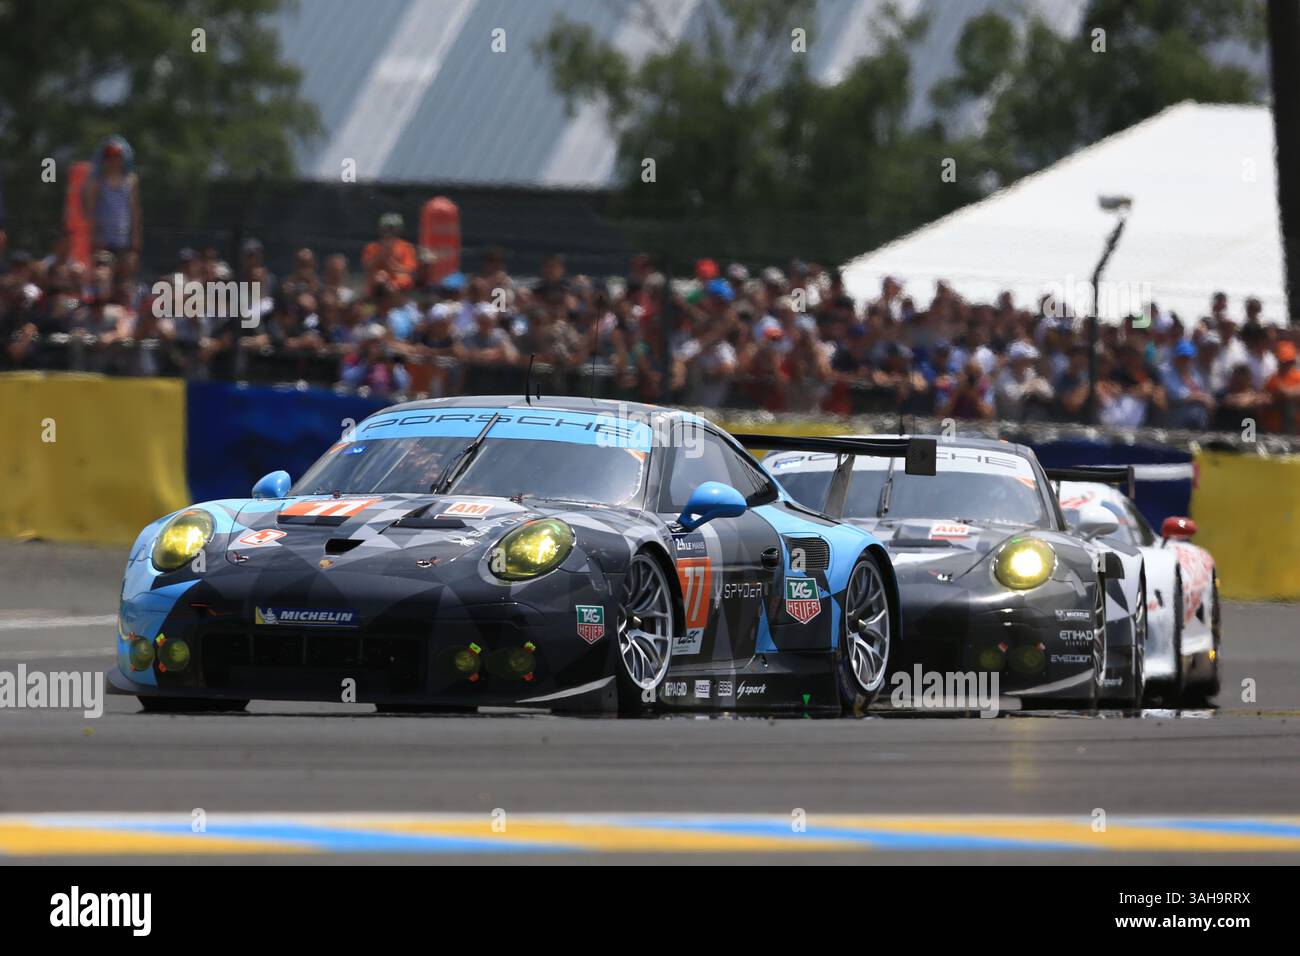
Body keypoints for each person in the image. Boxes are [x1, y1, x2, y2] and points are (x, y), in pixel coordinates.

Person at [83, 137, 141, 257]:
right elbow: (90, 210)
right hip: (102, 238)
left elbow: (135, 210)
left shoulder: (131, 180)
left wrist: (135, 235)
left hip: (123, 238)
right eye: (109, 157)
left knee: (126, 269)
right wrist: (95, 234)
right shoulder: (97, 182)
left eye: (117, 157)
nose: (113, 161)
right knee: (103, 270)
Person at [361, 214, 417, 292]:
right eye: (386, 228)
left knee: (404, 278)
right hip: (378, 285)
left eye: (392, 229)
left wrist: (390, 264)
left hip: (398, 284)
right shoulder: (371, 247)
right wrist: (381, 254)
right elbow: (368, 267)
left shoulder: (406, 247)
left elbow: (409, 270)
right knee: (380, 276)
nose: (389, 232)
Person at [1262, 341, 1300, 433]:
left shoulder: (1298, 377)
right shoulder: (1272, 379)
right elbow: (1265, 399)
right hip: (1275, 428)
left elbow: (1287, 393)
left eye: (1289, 361)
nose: (1286, 364)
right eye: (1283, 361)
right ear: (1278, 361)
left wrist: (1286, 393)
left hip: (1296, 430)